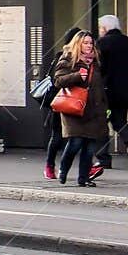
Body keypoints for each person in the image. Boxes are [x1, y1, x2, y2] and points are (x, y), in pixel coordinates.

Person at [52, 30, 109, 187]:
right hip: (74, 109)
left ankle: (83, 178)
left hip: (93, 110)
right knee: (75, 142)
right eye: (85, 43)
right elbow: (58, 81)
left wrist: (104, 107)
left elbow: (100, 87)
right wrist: (77, 76)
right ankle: (63, 169)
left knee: (89, 147)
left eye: (91, 43)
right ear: (78, 44)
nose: (89, 46)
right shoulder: (68, 59)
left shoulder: (95, 62)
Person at [96, 14, 128, 169]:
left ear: (105, 28)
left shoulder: (102, 43)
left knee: (101, 124)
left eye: (100, 28)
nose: (99, 31)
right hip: (125, 91)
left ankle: (103, 158)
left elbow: (100, 68)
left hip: (106, 92)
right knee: (120, 121)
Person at [39, 25, 80, 181]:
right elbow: (58, 81)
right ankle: (50, 166)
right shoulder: (63, 57)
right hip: (63, 102)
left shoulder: (80, 57)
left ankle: (55, 167)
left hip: (71, 102)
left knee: (78, 135)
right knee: (58, 136)